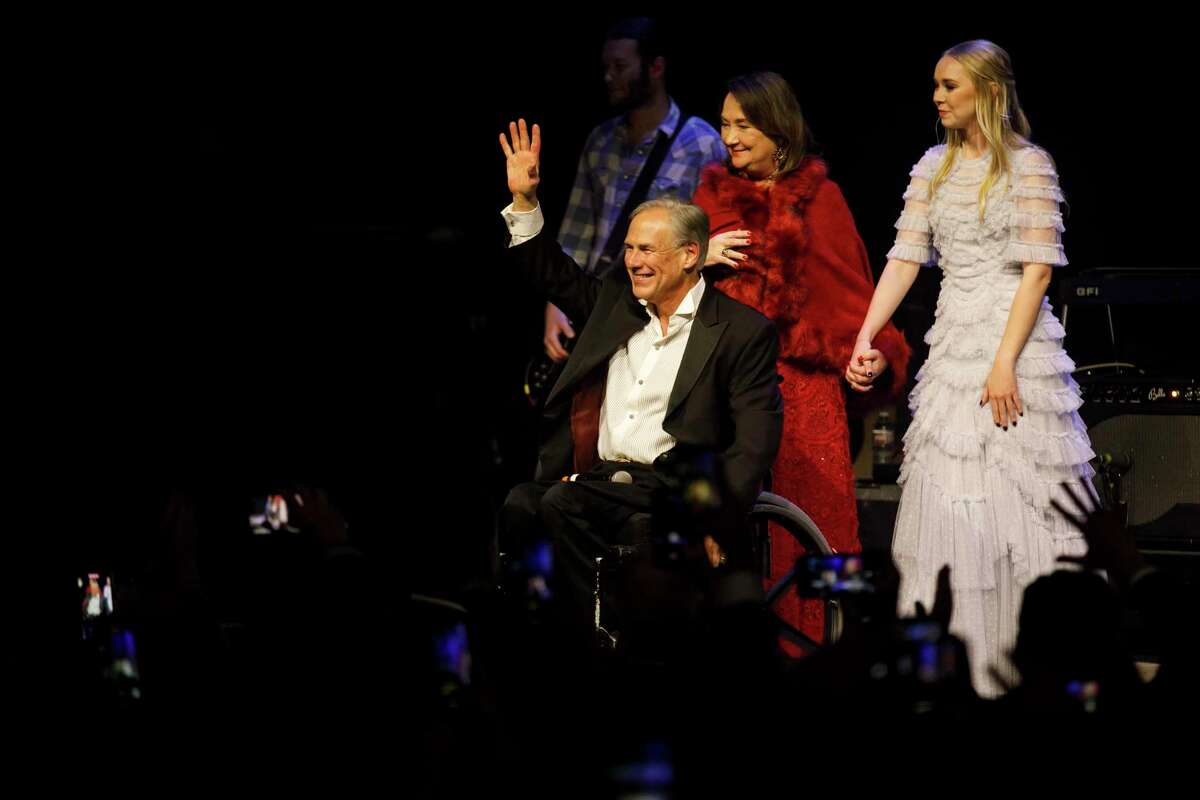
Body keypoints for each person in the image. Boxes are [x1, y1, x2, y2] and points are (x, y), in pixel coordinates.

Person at [845, 40, 1092, 695]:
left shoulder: (1029, 166)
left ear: (986, 90)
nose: (937, 96)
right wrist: (866, 333)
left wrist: (1005, 363)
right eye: (935, 84)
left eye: (949, 84)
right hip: (954, 345)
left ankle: (1032, 665)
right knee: (954, 498)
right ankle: (962, 667)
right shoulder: (933, 165)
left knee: (1017, 496)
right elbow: (904, 257)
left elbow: (1037, 269)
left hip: (1015, 345)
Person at [497, 119, 782, 642]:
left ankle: (598, 647)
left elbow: (755, 441)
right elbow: (552, 272)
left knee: (562, 503)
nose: (633, 261)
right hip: (603, 479)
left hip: (674, 488)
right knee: (520, 502)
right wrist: (524, 201)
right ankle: (528, 641)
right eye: (630, 249)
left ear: (690, 256)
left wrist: (720, 516)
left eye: (647, 250)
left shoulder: (740, 331)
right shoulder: (618, 306)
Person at [690, 72, 911, 650]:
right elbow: (658, 281)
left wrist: (873, 356)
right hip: (729, 395)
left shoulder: (823, 200)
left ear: (779, 131)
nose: (730, 137)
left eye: (744, 125)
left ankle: (826, 663)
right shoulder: (710, 198)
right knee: (731, 539)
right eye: (725, 124)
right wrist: (699, 255)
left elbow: (856, 301)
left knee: (818, 531)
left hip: (803, 398)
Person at [541, 17, 725, 367]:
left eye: (621, 66)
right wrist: (556, 302)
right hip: (596, 304)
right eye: (606, 67)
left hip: (658, 309)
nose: (610, 76)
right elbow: (577, 232)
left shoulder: (701, 145)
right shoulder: (600, 141)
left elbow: (711, 238)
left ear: (655, 67)